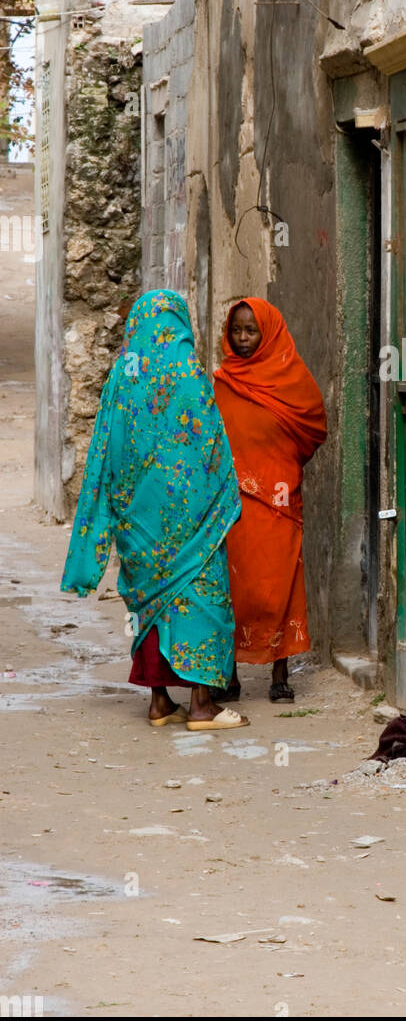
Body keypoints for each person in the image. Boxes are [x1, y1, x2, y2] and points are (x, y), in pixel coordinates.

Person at [61, 290, 249, 731]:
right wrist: (219, 501)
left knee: (149, 608)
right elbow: (211, 450)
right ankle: (202, 705)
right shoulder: (187, 374)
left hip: (137, 525)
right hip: (191, 524)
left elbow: (104, 456)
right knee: (203, 603)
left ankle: (160, 702)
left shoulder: (119, 383)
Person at [212, 298, 327, 702]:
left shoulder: (292, 378)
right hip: (234, 504)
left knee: (281, 585)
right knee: (232, 587)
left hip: (279, 500)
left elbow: (312, 427)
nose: (242, 339)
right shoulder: (221, 382)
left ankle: (280, 675)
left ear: (268, 332)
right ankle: (229, 676)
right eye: (236, 330)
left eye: (251, 331)